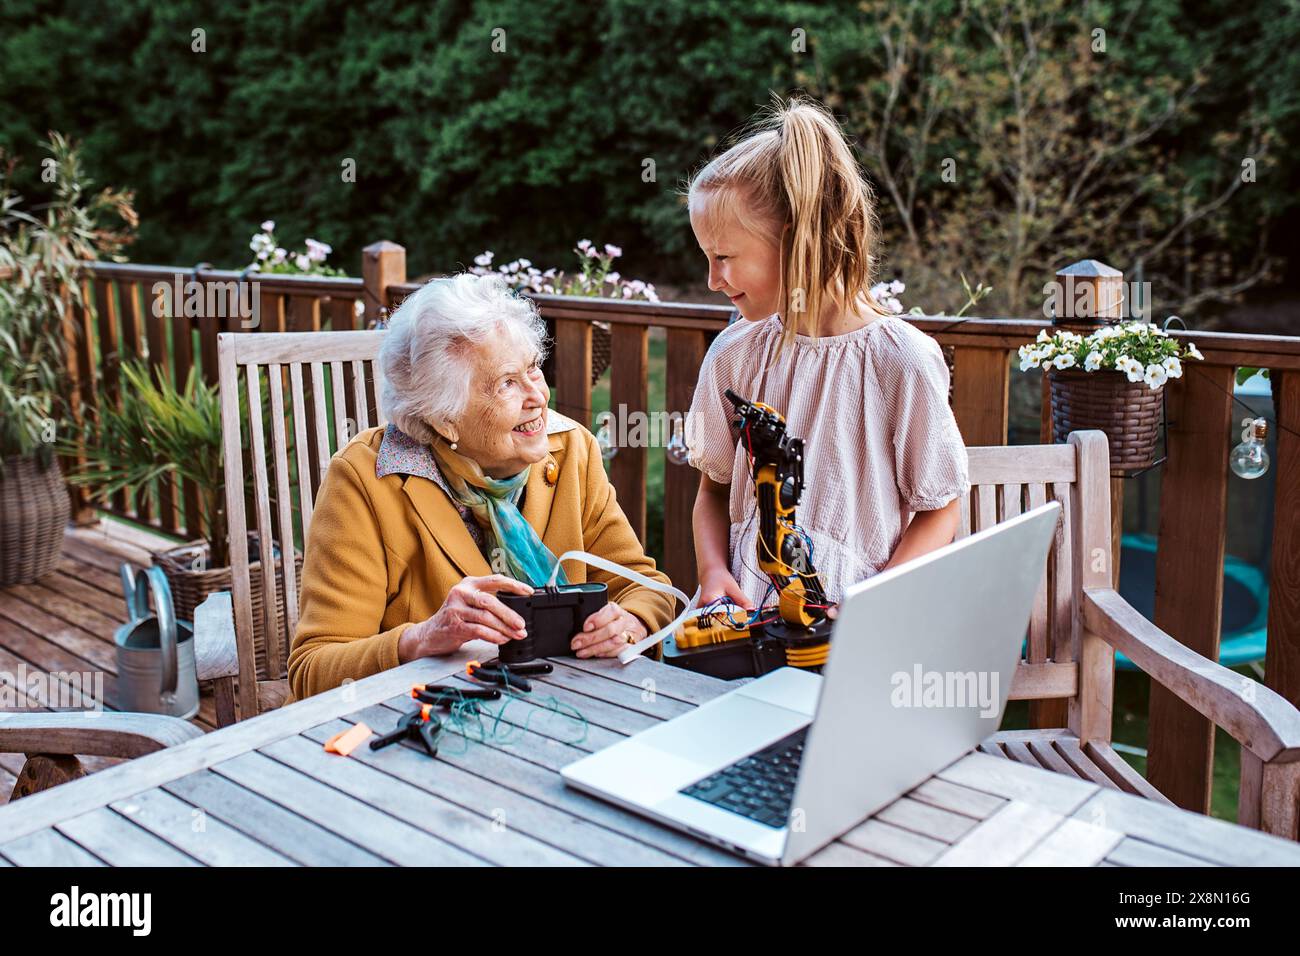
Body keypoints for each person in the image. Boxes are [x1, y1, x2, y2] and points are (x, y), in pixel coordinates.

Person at [288, 272, 675, 700]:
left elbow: (644, 586)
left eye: (533, 369)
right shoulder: (366, 479)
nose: (539, 396)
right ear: (443, 419)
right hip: (419, 727)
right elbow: (314, 670)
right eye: (507, 383)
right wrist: (419, 640)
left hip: (562, 707)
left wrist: (632, 622)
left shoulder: (572, 452)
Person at [684, 96, 971, 614]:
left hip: (857, 639)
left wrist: (868, 603)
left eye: (723, 257)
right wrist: (712, 570)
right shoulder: (733, 354)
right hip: (749, 622)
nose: (712, 280)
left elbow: (940, 510)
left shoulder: (901, 359)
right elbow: (712, 492)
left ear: (796, 240)